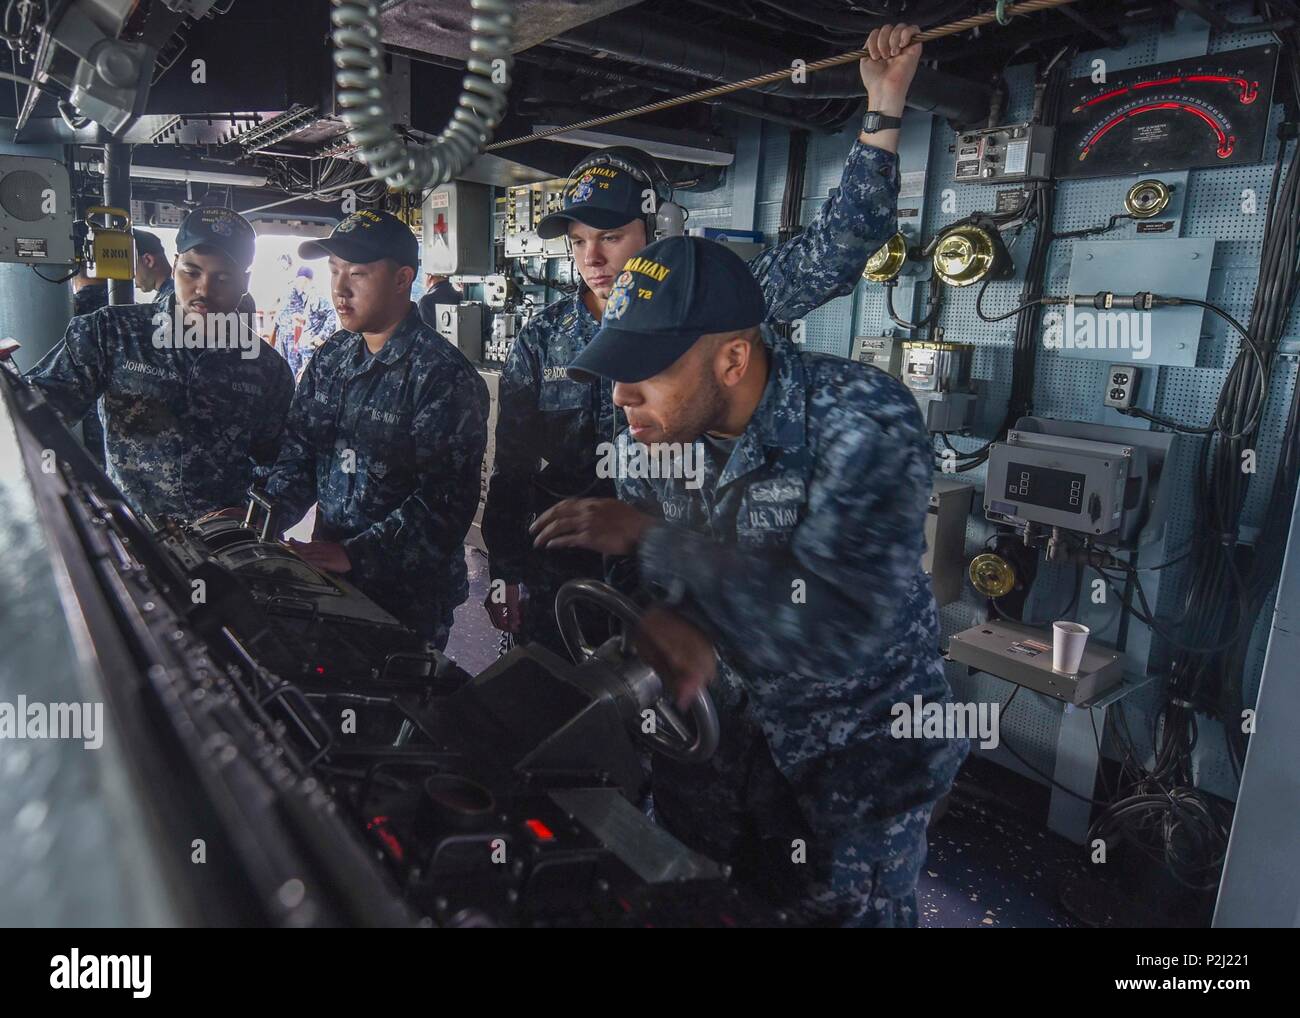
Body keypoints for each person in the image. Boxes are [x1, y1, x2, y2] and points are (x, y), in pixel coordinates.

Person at [531, 235, 969, 927]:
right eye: (618, 368)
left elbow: (841, 623)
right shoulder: (645, 437)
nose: (621, 396)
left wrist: (654, 541)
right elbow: (638, 585)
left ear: (732, 358)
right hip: (703, 760)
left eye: (647, 370)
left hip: (843, 779)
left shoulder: (861, 421)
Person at [482, 22, 924, 657]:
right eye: (578, 241)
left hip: (699, 574)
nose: (593, 258)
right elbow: (515, 461)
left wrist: (882, 108)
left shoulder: (719, 304)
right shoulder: (546, 333)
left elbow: (841, 244)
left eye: (610, 236)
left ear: (657, 228)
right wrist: (507, 565)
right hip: (576, 566)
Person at [265, 210, 489, 650]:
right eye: (334, 270)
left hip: (406, 595)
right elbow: (300, 452)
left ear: (403, 278)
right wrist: (262, 516)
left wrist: (356, 554)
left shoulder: (442, 376)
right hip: (329, 574)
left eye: (358, 274)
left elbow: (445, 504)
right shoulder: (334, 354)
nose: (339, 289)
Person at [27, 207, 294, 522]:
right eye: (191, 272)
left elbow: (287, 460)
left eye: (223, 278)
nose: (204, 291)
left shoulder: (266, 368)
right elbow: (36, 410)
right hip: (134, 538)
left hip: (224, 544)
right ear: (176, 263)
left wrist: (257, 519)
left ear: (245, 281)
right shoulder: (112, 333)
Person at [272, 265, 338, 379]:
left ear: (309, 280)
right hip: (289, 339)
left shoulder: (316, 295)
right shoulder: (297, 293)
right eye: (298, 280)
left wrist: (322, 337)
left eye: (303, 280)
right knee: (286, 372)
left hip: (308, 346)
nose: (299, 283)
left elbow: (331, 315)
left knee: (302, 376)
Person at [133, 229, 174, 304]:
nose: (130, 277)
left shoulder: (173, 298)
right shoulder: (168, 295)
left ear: (148, 260)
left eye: (132, 268)